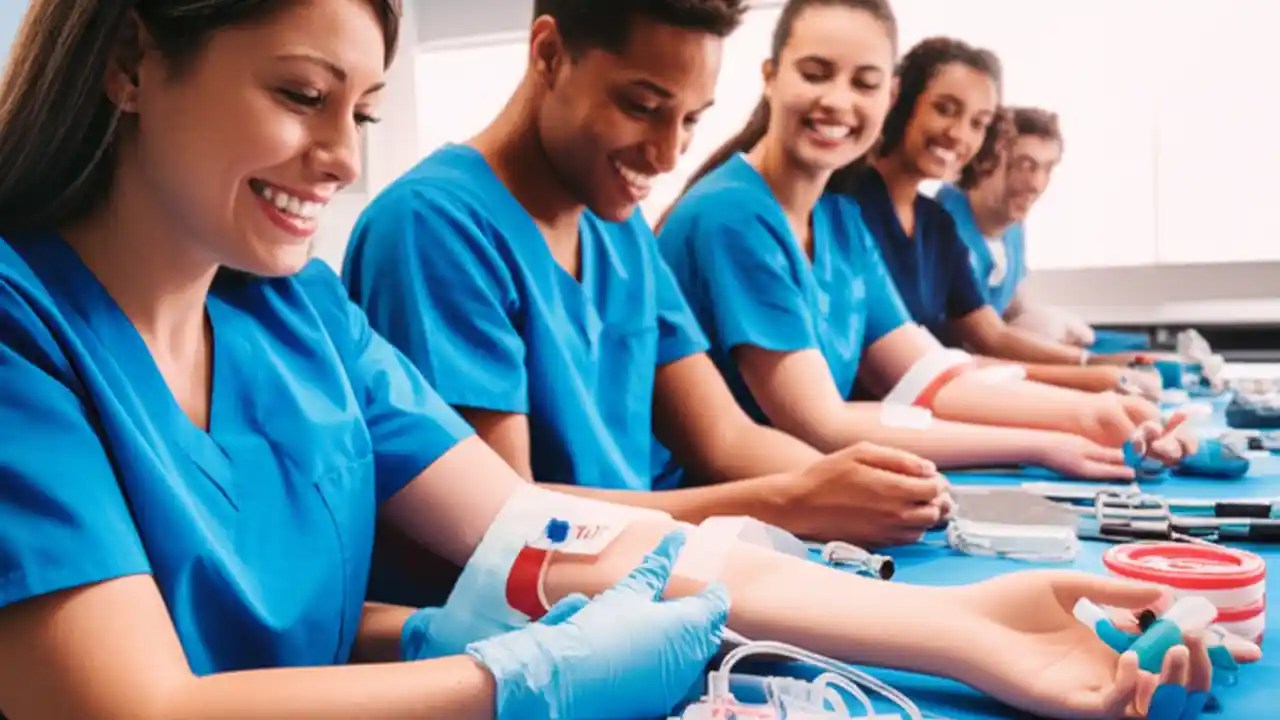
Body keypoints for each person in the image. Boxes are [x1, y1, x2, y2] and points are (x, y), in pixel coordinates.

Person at [0, 2, 1251, 719]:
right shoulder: (22, 327)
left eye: (362, 112)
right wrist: (510, 682)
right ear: (127, 61)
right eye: (299, 94)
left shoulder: (297, 313)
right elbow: (132, 708)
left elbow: (535, 529)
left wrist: (956, 626)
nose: (339, 158)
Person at [344, 0, 953, 552]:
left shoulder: (618, 224)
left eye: (690, 121)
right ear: (549, 54)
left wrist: (858, 485)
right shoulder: (433, 226)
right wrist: (790, 502)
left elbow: (724, 438)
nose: (667, 157)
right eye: (641, 107)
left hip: (639, 576)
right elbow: (505, 521)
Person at [654, 0, 1174, 477]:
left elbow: (930, 376)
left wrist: (1089, 413)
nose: (838, 100)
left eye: (864, 83)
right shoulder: (732, 215)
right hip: (726, 506)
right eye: (815, 74)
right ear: (770, 77)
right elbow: (820, 423)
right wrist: (1041, 442)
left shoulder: (840, 221)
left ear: (890, 96)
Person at [829, 38, 1161, 399]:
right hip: (882, 409)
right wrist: (1088, 378)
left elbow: (991, 335)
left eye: (978, 123)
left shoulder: (935, 224)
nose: (959, 134)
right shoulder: (847, 202)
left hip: (927, 400)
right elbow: (910, 366)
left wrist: (1089, 363)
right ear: (901, 100)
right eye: (944, 108)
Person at [936, 105, 1098, 347]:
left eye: (1047, 168)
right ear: (984, 160)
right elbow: (980, 337)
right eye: (1024, 165)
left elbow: (1008, 301)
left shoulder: (1011, 227)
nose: (1036, 184)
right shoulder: (941, 225)